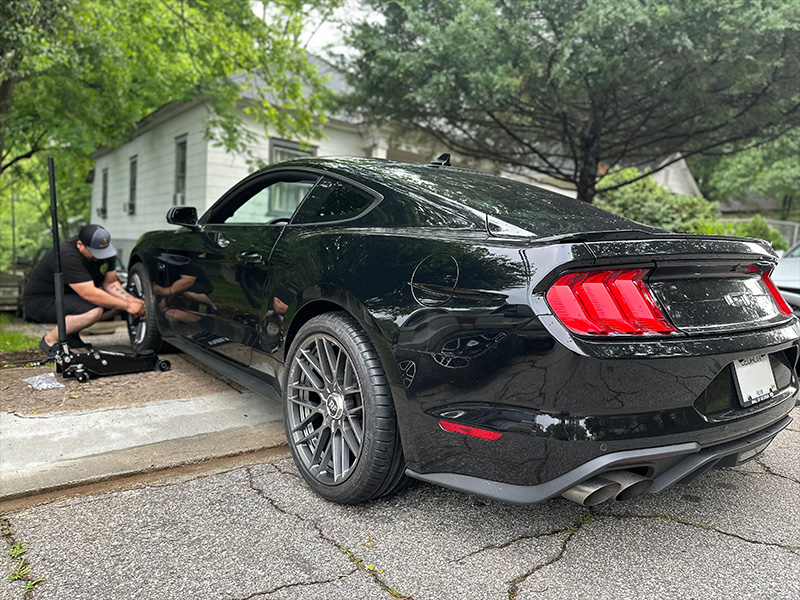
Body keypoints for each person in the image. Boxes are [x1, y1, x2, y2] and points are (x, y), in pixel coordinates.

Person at [23, 224, 146, 356]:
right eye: (95, 253)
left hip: (69, 297)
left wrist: (132, 300)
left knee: (115, 305)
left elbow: (110, 283)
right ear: (80, 245)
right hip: (41, 301)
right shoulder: (67, 254)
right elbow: (89, 293)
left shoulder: (105, 251)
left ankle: (70, 337)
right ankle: (50, 341)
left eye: (102, 253)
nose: (99, 257)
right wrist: (127, 305)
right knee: (93, 310)